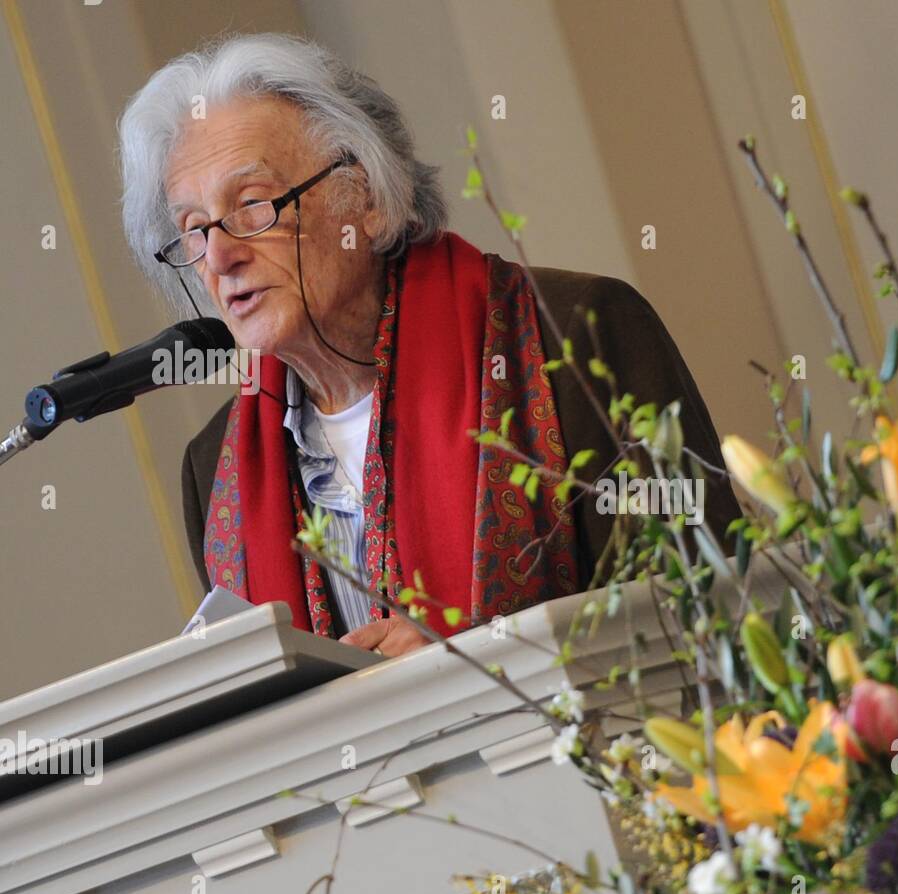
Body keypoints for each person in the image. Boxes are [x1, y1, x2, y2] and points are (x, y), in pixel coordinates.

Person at [117, 34, 739, 657]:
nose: (220, 256)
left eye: (252, 205)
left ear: (362, 197)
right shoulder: (213, 469)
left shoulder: (577, 337)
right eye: (193, 230)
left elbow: (713, 606)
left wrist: (479, 654)